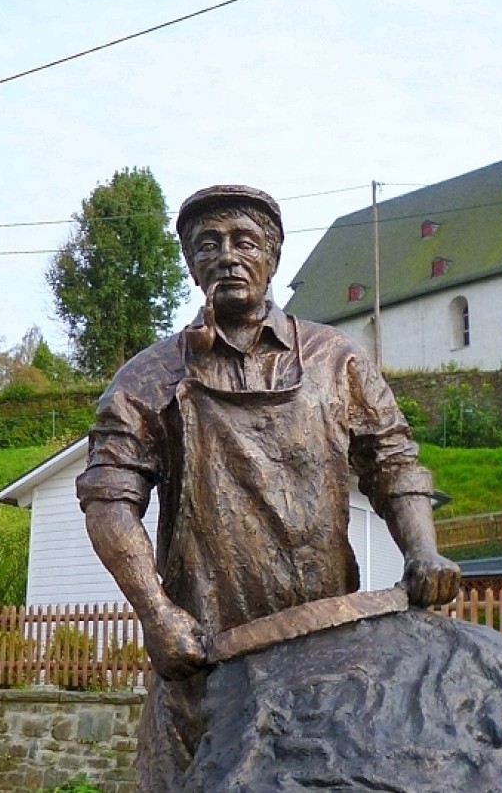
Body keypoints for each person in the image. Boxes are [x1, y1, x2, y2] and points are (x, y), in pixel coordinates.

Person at [77, 184, 461, 789]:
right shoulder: (149, 377)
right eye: (209, 245)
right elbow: (107, 498)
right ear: (191, 264)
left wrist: (423, 550)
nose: (227, 256)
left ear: (273, 256)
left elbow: (394, 463)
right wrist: (156, 614)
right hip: (205, 660)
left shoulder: (338, 361)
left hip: (327, 653)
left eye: (244, 241)